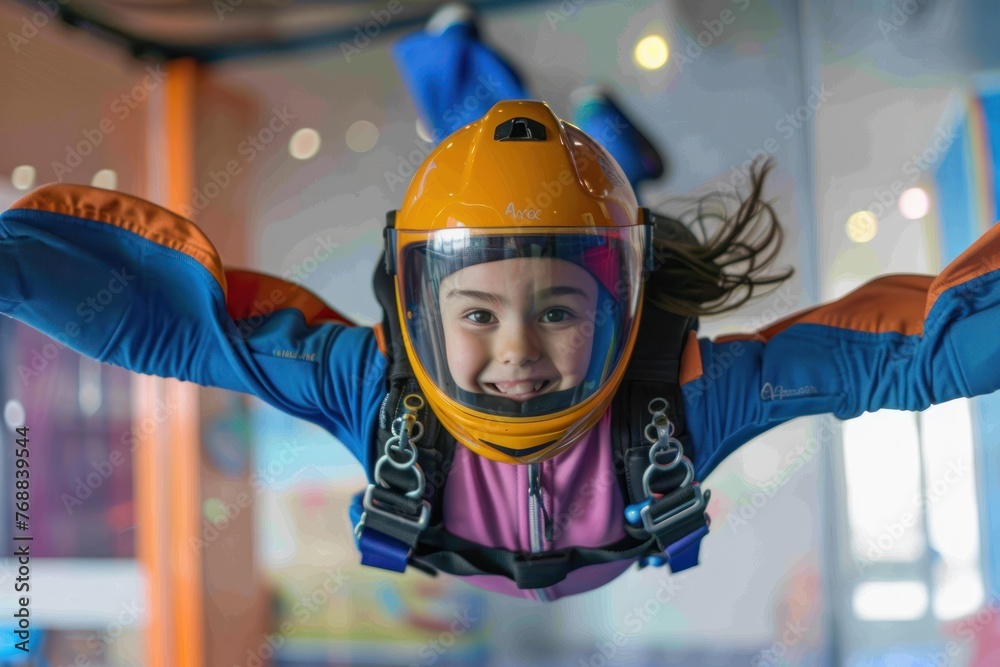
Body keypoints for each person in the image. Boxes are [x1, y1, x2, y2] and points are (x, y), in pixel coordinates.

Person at [4, 18, 1000, 605]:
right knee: (524, 191)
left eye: (559, 311)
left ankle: (555, 114)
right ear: (418, 315)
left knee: (530, 190)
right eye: (477, 315)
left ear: (619, 311)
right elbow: (179, 323)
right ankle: (559, 118)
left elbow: (909, 356)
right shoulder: (373, 385)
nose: (518, 354)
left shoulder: (687, 394)